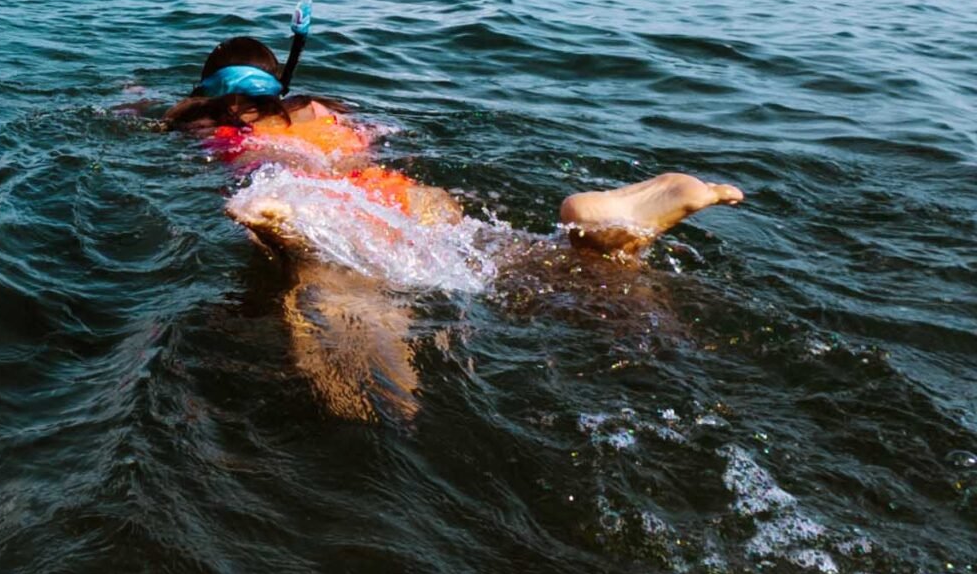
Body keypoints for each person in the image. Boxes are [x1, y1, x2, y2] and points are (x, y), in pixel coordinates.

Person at [168, 33, 745, 422]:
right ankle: (601, 226)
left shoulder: (206, 123)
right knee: (505, 254)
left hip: (314, 198)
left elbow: (146, 120)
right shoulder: (320, 111)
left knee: (335, 271)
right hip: (404, 193)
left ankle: (292, 239)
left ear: (211, 90)